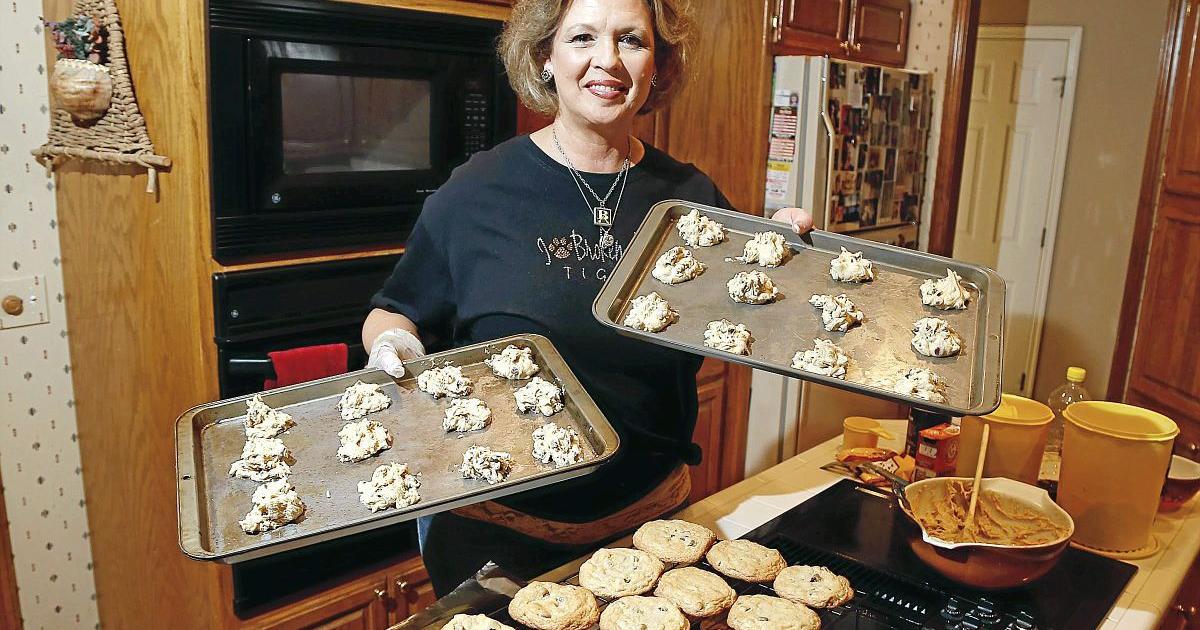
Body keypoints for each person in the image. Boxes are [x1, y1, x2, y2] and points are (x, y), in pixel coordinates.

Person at [362, 0, 812, 595]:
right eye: (581, 38)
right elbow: (396, 309)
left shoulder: (688, 197)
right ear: (545, 57)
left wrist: (787, 260)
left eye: (631, 39)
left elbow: (748, 311)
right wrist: (392, 341)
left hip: (649, 526)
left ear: (657, 63)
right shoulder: (475, 194)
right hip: (494, 537)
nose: (608, 61)